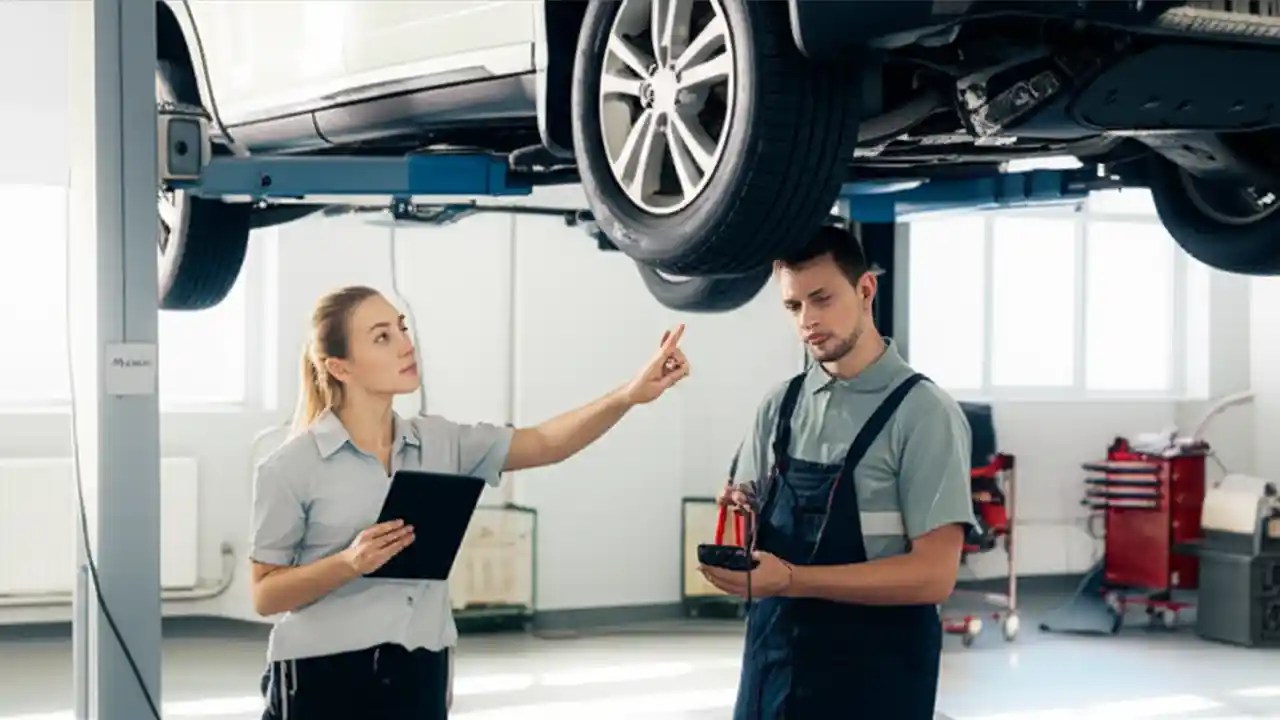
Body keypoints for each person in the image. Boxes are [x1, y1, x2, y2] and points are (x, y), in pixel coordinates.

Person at [250, 285, 690, 719]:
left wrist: (628, 395)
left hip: (421, 668)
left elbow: (545, 443)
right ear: (340, 368)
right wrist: (350, 562)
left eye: (403, 328)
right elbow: (266, 595)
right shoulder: (289, 467)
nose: (406, 344)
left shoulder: (442, 442)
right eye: (382, 336)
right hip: (321, 675)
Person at [698, 225, 975, 720]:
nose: (807, 320)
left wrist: (791, 580)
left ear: (866, 289)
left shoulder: (924, 413)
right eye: (793, 306)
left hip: (875, 676)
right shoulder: (779, 406)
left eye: (822, 298)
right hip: (774, 662)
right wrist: (740, 516)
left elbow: (934, 576)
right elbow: (747, 510)